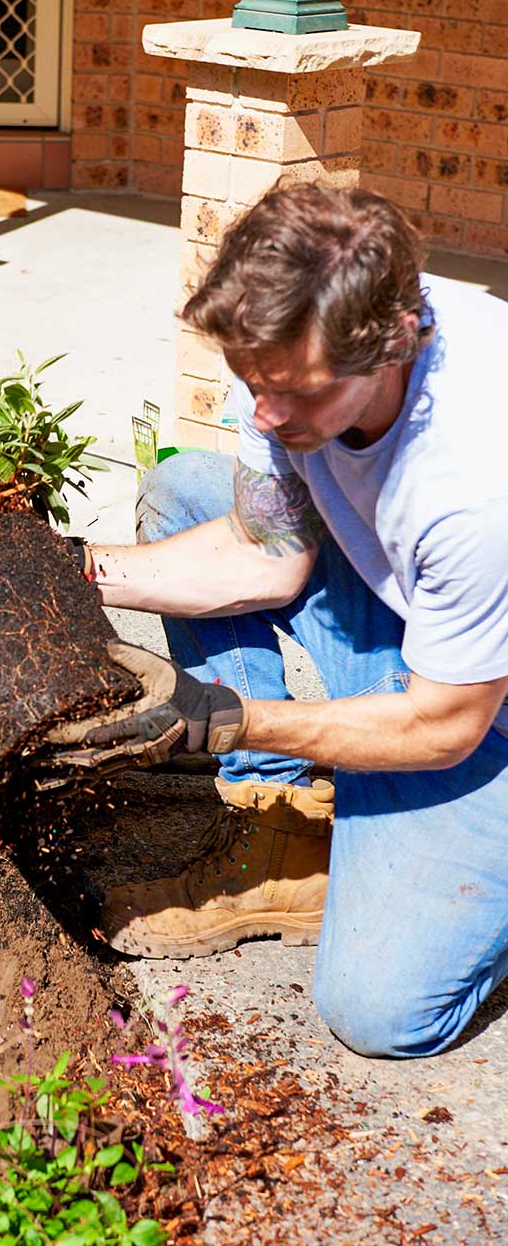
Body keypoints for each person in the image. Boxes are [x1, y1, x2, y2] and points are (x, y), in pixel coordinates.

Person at [54, 184, 508, 1060]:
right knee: (187, 487)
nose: (263, 413)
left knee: (380, 1013)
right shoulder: (291, 364)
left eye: (292, 392)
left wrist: (226, 719)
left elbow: (445, 725)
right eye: (252, 381)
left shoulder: (474, 486)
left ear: (393, 343)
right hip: (427, 636)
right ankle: (284, 818)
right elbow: (263, 555)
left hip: (479, 715)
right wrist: (68, 567)